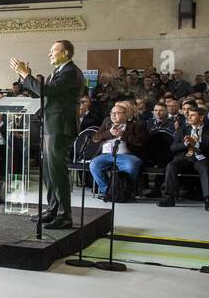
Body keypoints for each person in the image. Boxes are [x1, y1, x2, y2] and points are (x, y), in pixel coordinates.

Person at [10, 40, 84, 229]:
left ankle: (64, 215)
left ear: (66, 53)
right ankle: (53, 209)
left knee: (57, 171)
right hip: (51, 125)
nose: (49, 54)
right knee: (49, 171)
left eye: (53, 51)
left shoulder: (71, 72)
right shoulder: (57, 72)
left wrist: (26, 74)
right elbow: (41, 94)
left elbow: (46, 90)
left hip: (61, 127)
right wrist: (24, 76)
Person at [156, 106, 209, 211]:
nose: (189, 117)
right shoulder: (183, 129)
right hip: (185, 158)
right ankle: (169, 197)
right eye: (188, 115)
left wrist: (196, 144)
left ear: (201, 117)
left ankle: (208, 200)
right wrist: (185, 144)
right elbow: (173, 148)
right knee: (171, 166)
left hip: (201, 158)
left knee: (205, 167)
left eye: (192, 115)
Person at [88, 101, 147, 201]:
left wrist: (122, 135)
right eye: (112, 113)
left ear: (126, 115)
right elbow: (95, 138)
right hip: (106, 155)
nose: (113, 115)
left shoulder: (135, 125)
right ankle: (108, 191)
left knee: (131, 166)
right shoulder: (107, 123)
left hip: (127, 155)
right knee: (94, 165)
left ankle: (124, 192)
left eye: (117, 113)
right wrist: (109, 133)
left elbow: (140, 142)